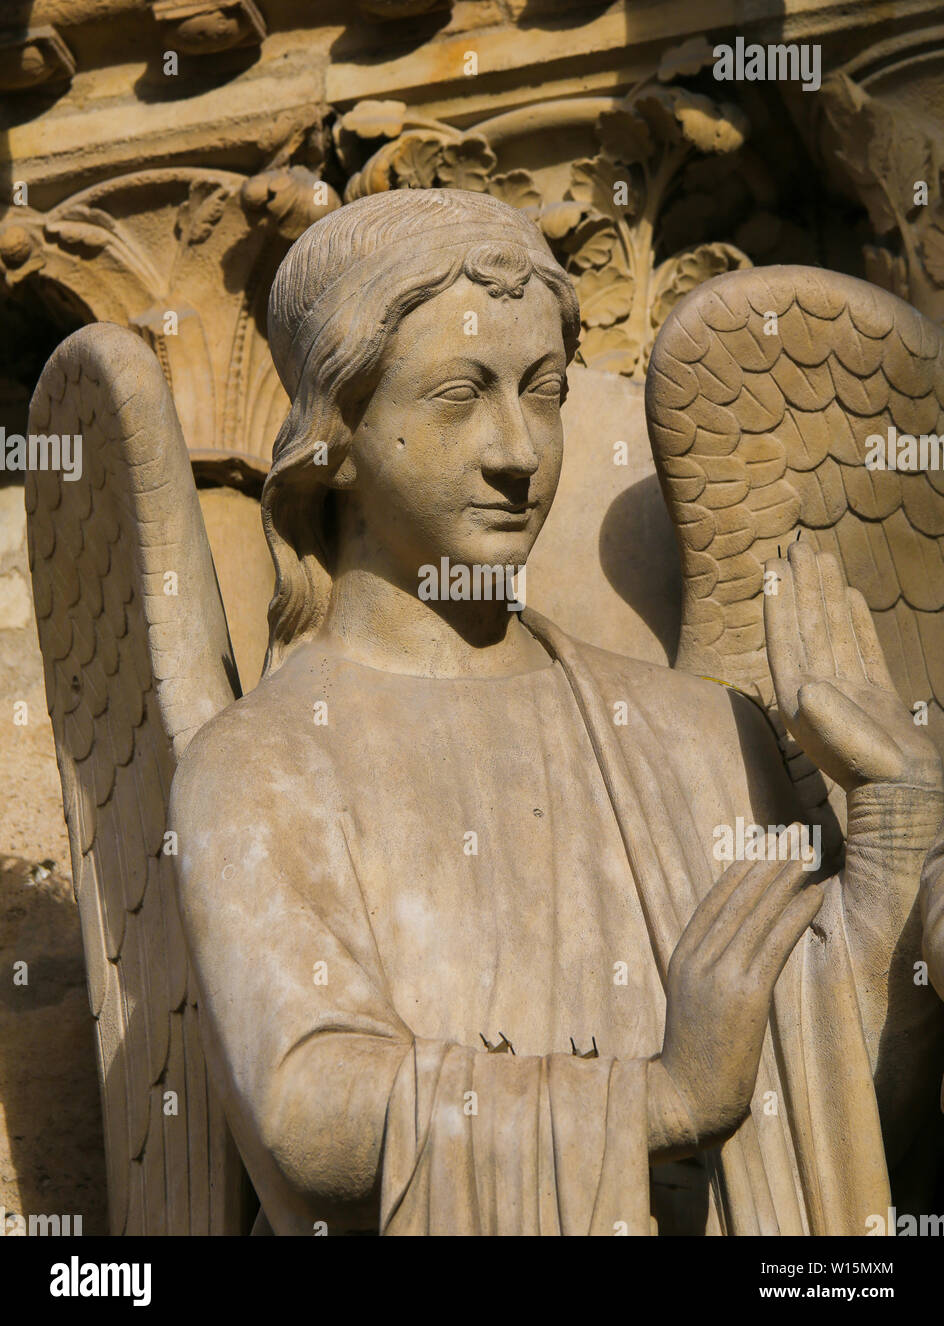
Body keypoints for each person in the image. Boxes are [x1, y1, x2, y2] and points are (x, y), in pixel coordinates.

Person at [169, 189, 944, 1235]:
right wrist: (660, 1099)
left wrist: (893, 840)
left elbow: (842, 1127)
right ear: (337, 436)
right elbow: (303, 1115)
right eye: (458, 393)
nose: (517, 450)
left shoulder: (692, 732)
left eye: (541, 392)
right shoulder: (257, 766)